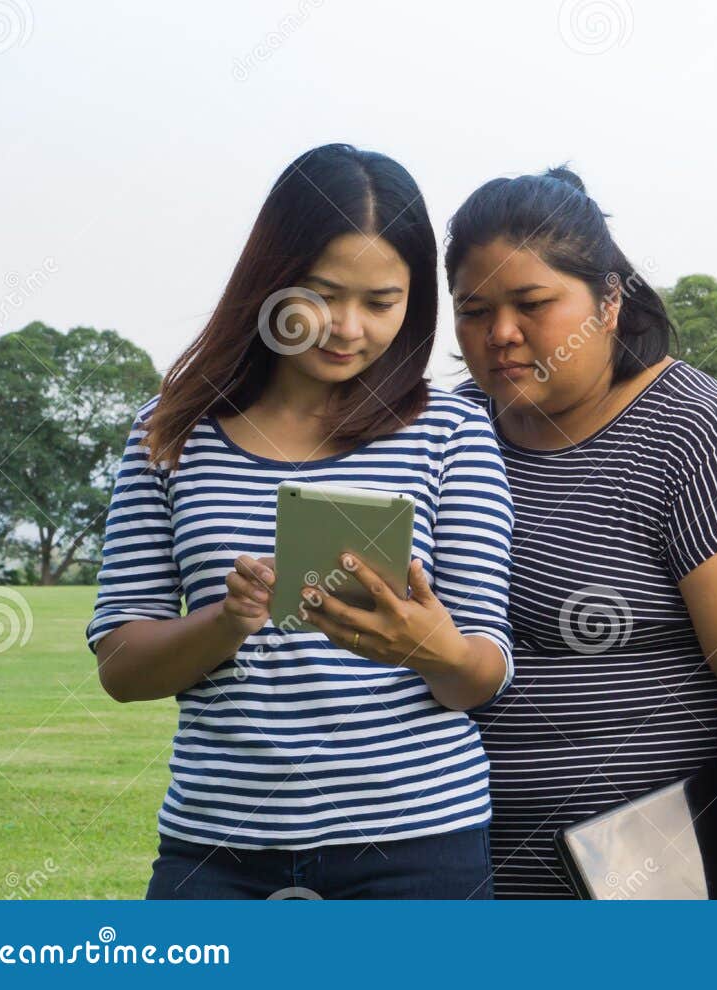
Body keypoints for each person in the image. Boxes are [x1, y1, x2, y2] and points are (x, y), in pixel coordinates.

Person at [87, 144, 513, 899]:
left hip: (416, 850)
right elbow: (122, 668)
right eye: (320, 294)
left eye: (381, 302)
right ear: (270, 280)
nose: (346, 328)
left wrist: (428, 645)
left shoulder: (451, 432)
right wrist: (229, 620)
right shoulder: (171, 432)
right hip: (217, 855)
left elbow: (480, 675)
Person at [445, 166, 717, 898]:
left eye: (531, 303)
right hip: (449, 880)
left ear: (609, 301)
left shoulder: (702, 434)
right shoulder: (447, 432)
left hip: (657, 890)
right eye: (473, 309)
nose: (499, 334)